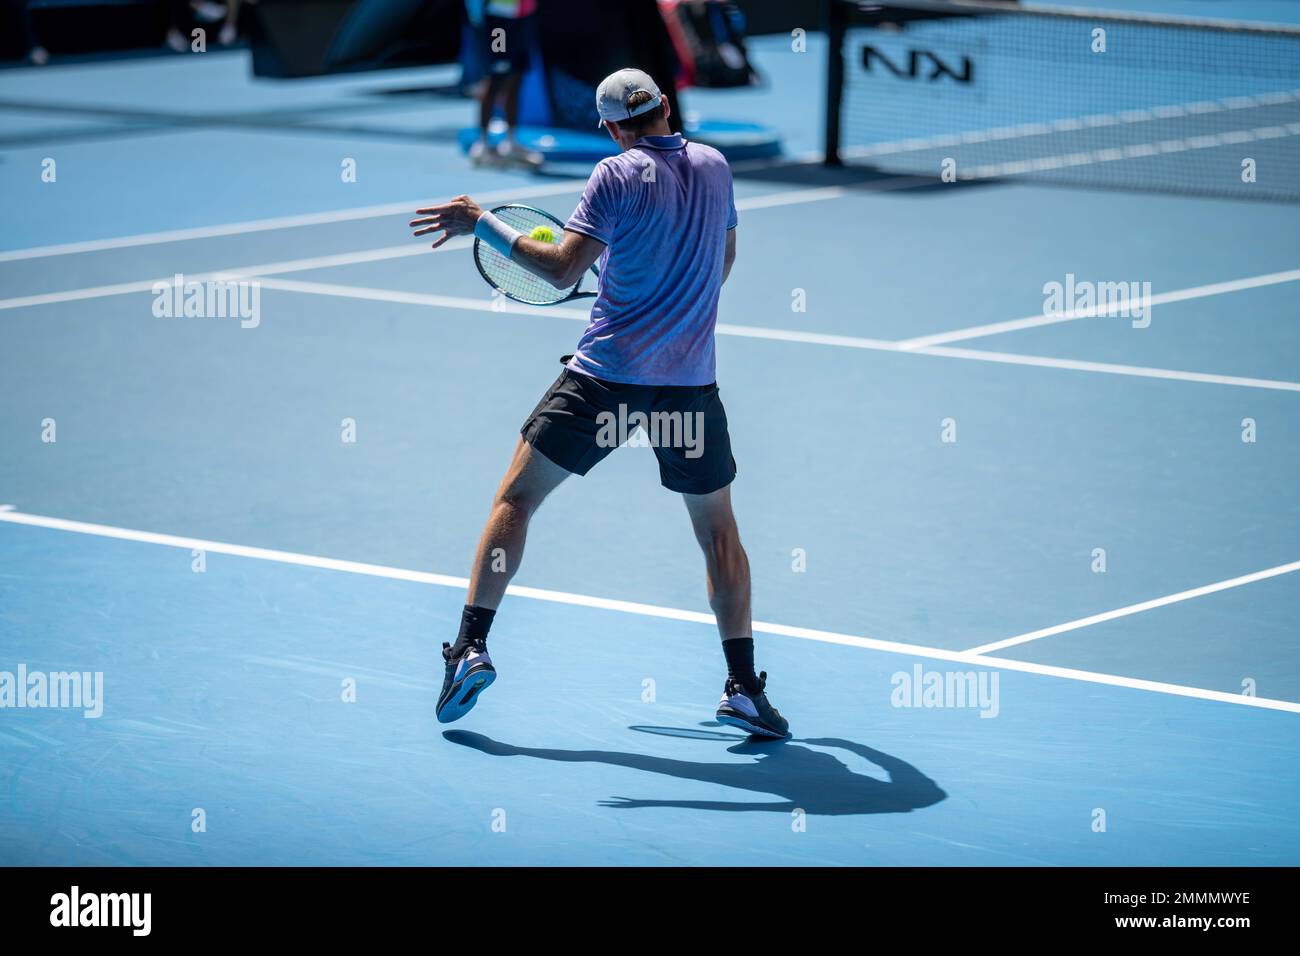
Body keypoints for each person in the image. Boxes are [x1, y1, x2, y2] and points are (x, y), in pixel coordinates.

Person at [409, 67, 789, 739]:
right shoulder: (715, 166)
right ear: (667, 107)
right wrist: (662, 290)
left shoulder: (612, 177)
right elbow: (719, 262)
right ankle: (744, 688)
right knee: (719, 534)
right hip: (690, 388)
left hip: (605, 380)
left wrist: (481, 221)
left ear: (611, 129)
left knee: (516, 501)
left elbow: (559, 268)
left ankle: (471, 644)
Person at [466, 0, 542, 167]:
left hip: (523, 16)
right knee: (495, 78)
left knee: (516, 79)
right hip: (499, 20)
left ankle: (510, 142)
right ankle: (482, 145)